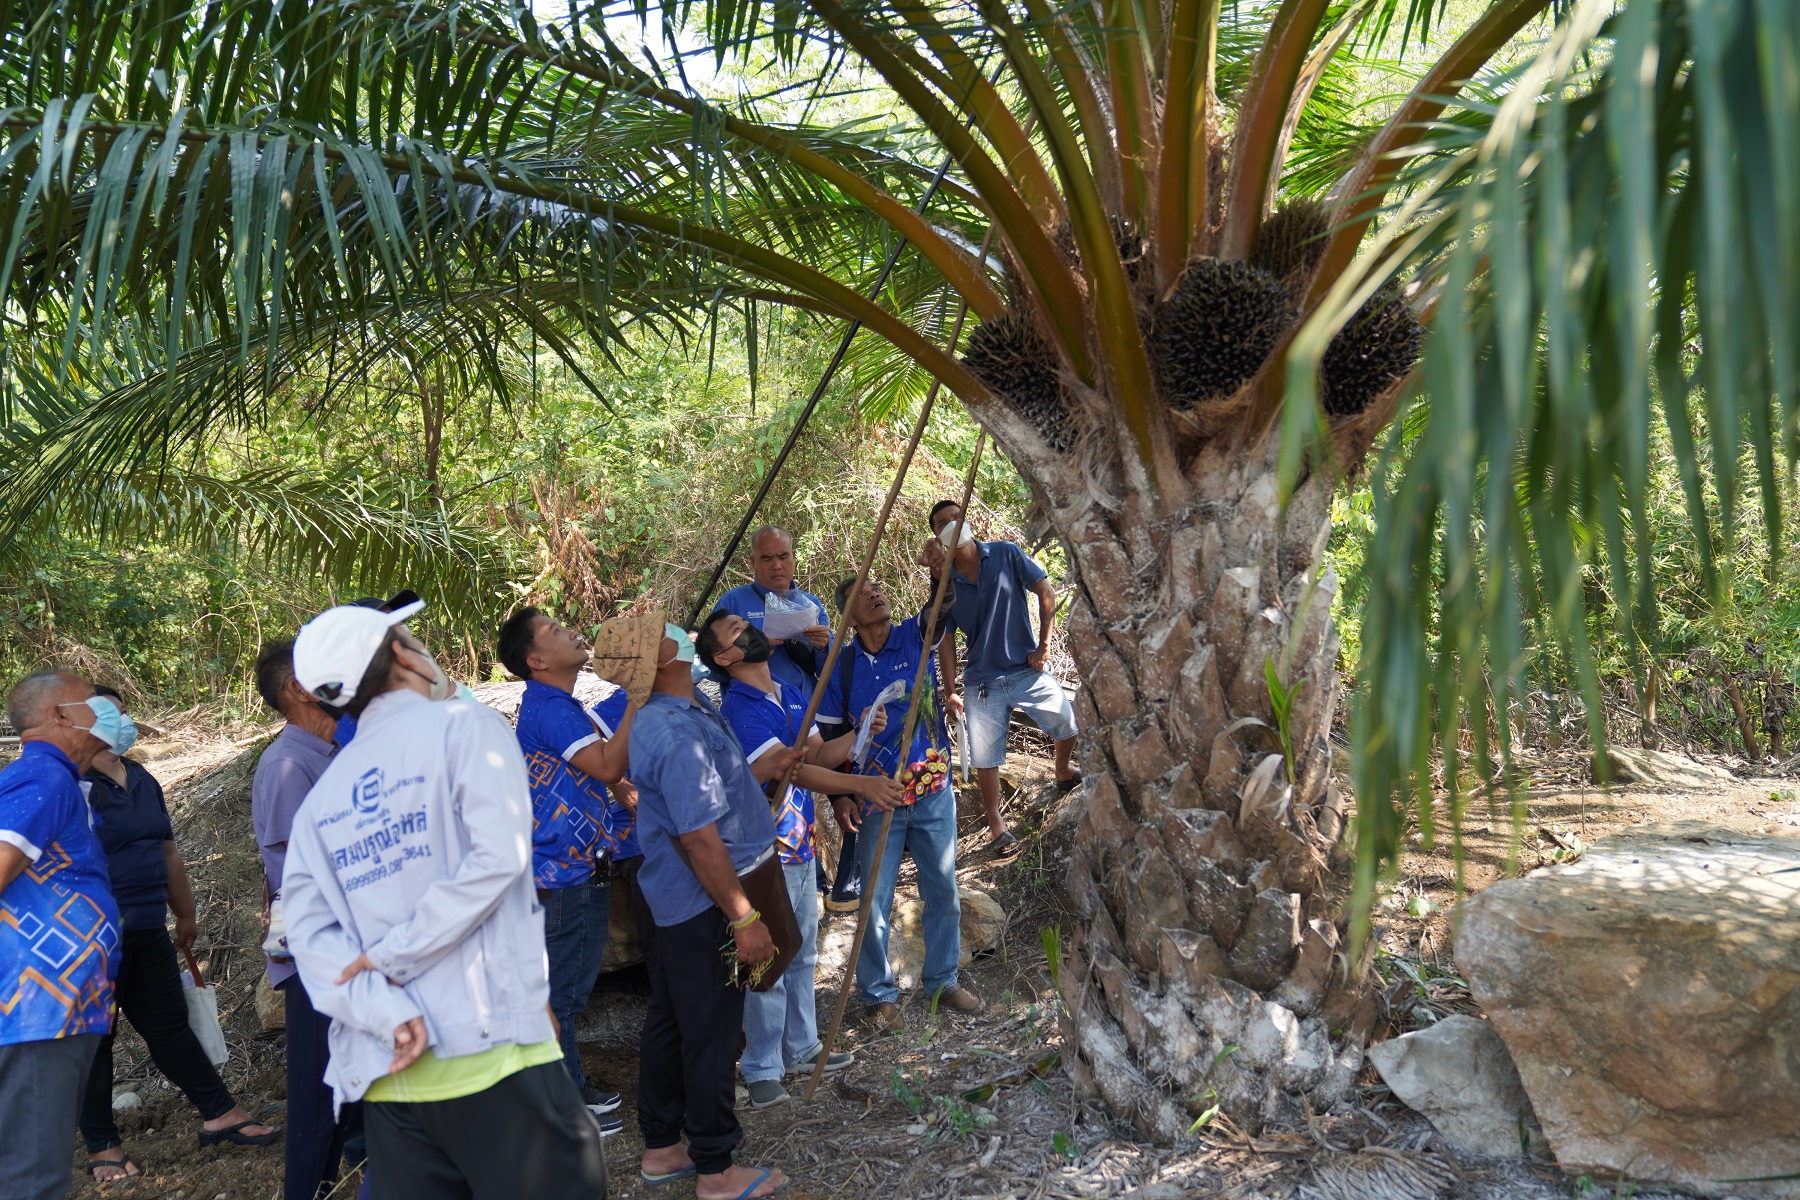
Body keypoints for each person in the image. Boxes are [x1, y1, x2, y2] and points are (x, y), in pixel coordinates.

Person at [281, 601, 606, 1200]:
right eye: (412, 637)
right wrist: (395, 953)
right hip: (493, 1054)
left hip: (389, 1076)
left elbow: (306, 934)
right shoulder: (466, 728)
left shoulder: (324, 799)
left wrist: (381, 1007)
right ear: (403, 654)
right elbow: (499, 860)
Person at [695, 611, 904, 1108]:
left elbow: (817, 756)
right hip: (764, 849)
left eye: (746, 624)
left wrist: (858, 732)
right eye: (735, 631)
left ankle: (802, 1044)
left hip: (801, 840)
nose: (749, 630)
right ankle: (762, 1065)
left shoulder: (787, 692)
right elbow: (792, 773)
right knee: (770, 953)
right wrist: (861, 784)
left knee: (804, 947)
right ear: (724, 658)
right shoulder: (740, 709)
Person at [79, 685, 279, 1180]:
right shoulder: (73, 786)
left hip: (148, 930)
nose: (122, 723)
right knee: (95, 1041)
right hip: (91, 939)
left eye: (124, 713)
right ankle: (103, 1146)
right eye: (110, 714)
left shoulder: (142, 779)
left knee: (169, 1026)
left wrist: (184, 913)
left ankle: (220, 1114)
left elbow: (167, 849)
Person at [628, 621, 792, 1199]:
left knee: (674, 1019)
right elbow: (699, 839)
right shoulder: (674, 733)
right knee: (712, 1032)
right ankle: (716, 1169)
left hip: (689, 899)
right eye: (662, 633)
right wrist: (743, 917)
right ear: (658, 659)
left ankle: (662, 1146)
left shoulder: (684, 708)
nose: (678, 632)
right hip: (706, 903)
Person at [819, 571, 983, 1032]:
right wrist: (841, 796)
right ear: (849, 619)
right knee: (873, 899)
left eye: (877, 587)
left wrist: (940, 568)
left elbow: (942, 605)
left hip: (932, 790)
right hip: (877, 800)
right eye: (863, 594)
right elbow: (828, 740)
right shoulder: (842, 667)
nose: (875, 593)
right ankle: (877, 994)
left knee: (943, 890)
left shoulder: (916, 635)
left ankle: (943, 980)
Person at [496, 605, 637, 1128]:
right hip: (561, 874)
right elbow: (607, 765)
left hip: (573, 869)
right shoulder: (552, 708)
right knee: (561, 994)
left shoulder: (556, 705)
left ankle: (569, 1087)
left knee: (567, 990)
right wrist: (638, 699)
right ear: (536, 660)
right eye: (555, 631)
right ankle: (562, 1105)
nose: (572, 631)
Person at [251, 639, 367, 1200]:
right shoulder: (288, 766)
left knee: (355, 1095)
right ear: (298, 689)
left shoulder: (338, 753)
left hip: (358, 948)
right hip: (322, 954)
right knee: (319, 1103)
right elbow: (301, 872)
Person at [0, 672, 123, 1200]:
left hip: (54, 1007)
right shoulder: (43, 778)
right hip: (38, 1009)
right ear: (60, 715)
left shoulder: (56, 780)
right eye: (94, 702)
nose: (109, 712)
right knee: (32, 1177)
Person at [713, 526, 861, 913]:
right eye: (767, 558)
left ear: (794, 558)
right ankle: (780, 890)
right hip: (755, 719)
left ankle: (830, 883)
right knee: (776, 795)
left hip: (803, 711)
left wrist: (823, 646)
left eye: (783, 556)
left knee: (814, 795)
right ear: (752, 562)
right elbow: (712, 662)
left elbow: (828, 672)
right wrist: (755, 642)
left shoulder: (809, 603)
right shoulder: (734, 603)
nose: (777, 565)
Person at [925, 500, 1080, 855]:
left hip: (1026, 669)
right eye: (942, 523)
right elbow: (944, 639)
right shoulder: (944, 583)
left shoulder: (1006, 553)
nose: (951, 524)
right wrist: (950, 691)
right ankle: (997, 825)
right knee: (985, 757)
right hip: (982, 681)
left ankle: (1062, 769)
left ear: (968, 520)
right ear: (936, 536)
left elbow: (1046, 592)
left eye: (956, 517)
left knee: (1066, 720)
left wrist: (1043, 646)